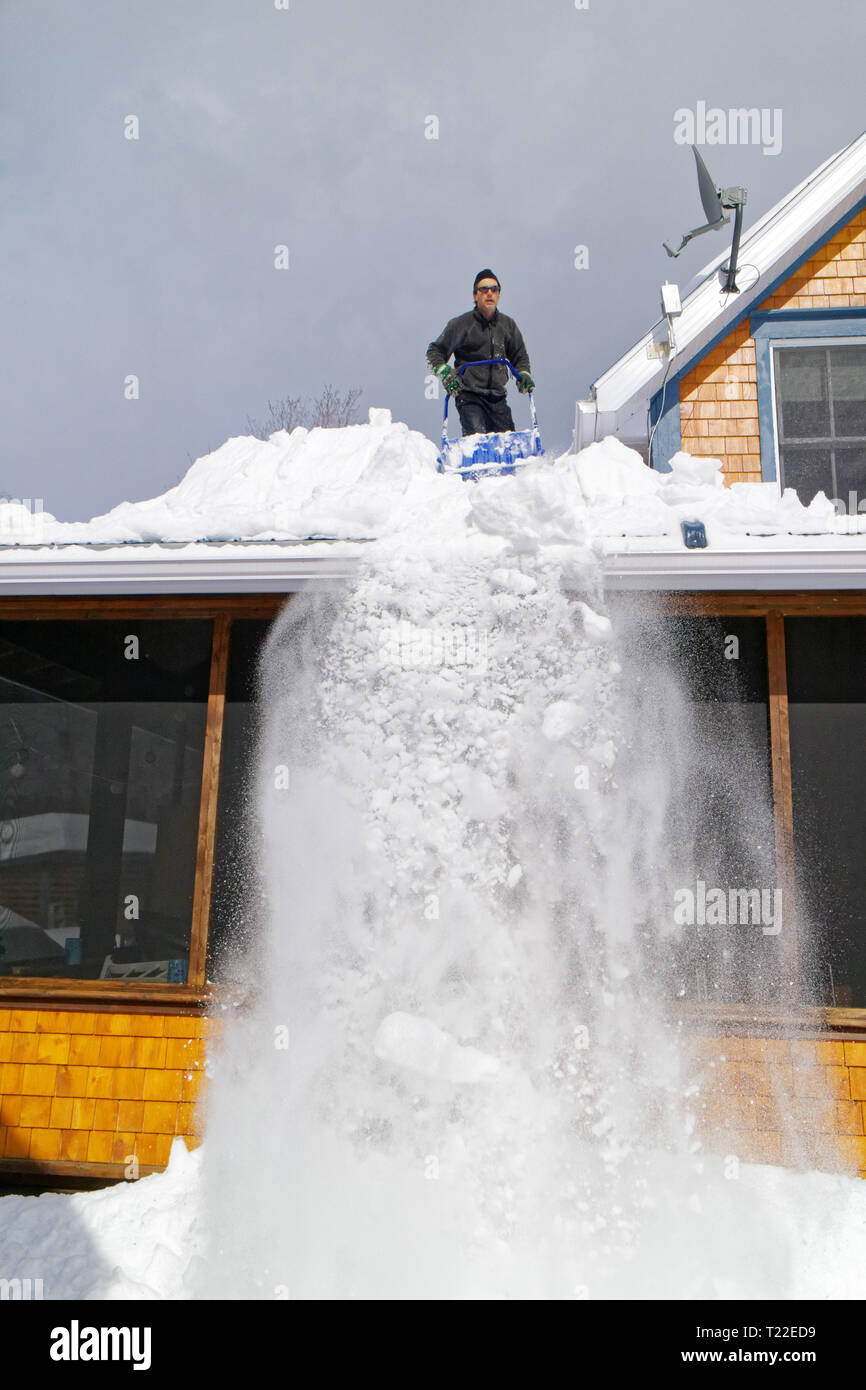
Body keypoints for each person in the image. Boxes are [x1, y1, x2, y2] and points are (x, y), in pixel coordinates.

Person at [426, 270, 535, 437]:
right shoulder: (461, 325)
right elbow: (435, 351)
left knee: (507, 441)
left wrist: (523, 374)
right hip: (470, 395)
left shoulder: (507, 325)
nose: (489, 293)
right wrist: (445, 373)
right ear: (475, 295)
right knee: (478, 438)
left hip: (497, 397)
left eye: (494, 289)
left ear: (499, 294)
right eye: (484, 289)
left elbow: (519, 355)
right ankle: (475, 460)